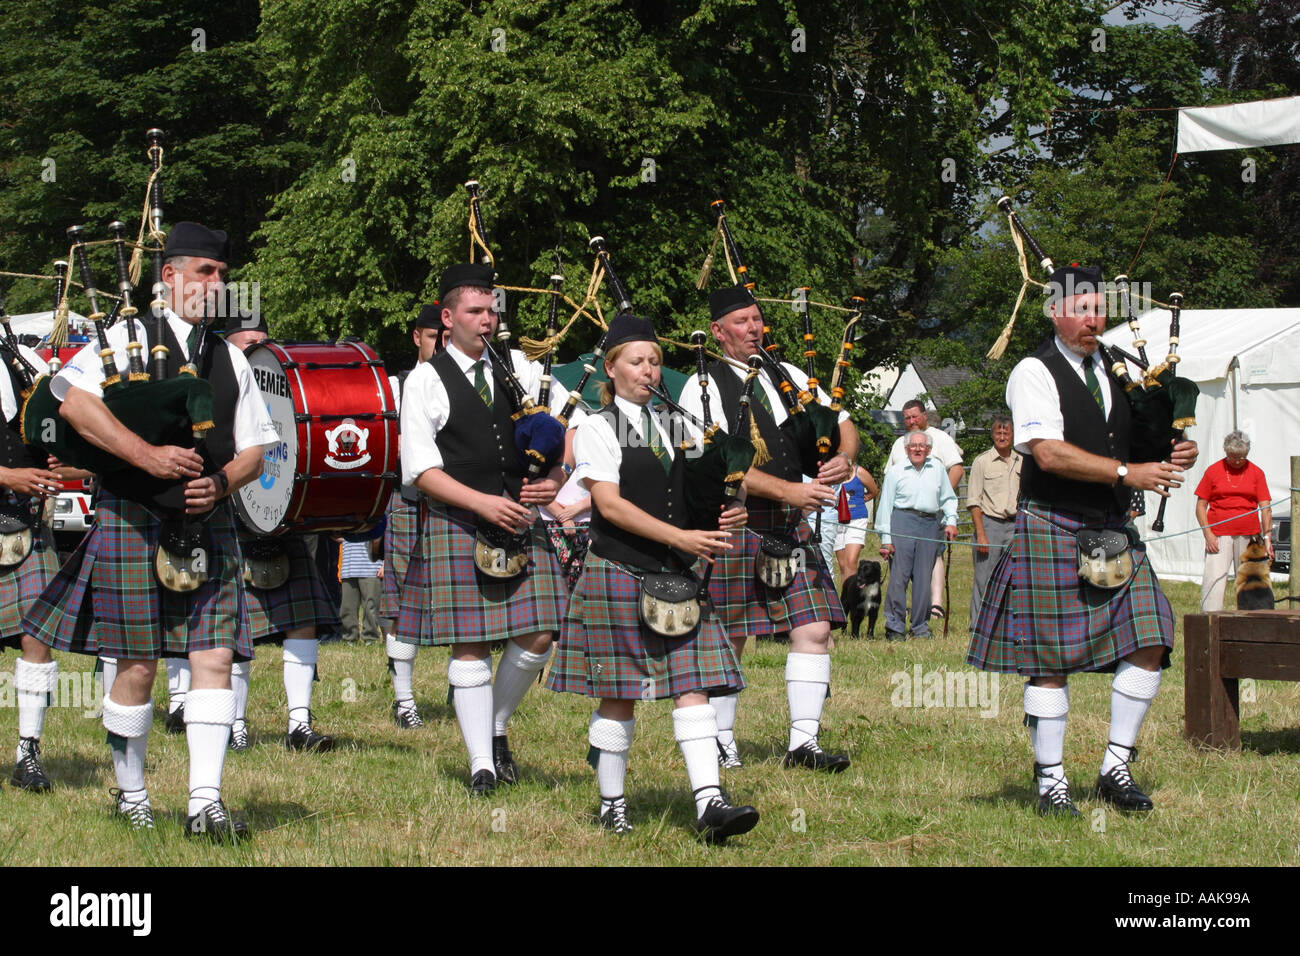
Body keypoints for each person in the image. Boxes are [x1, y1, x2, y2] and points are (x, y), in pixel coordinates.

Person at [23, 222, 278, 837]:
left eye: (222, 275)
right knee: (136, 665)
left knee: (213, 655)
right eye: (205, 274)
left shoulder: (231, 357)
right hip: (132, 518)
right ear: (170, 277)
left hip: (206, 521)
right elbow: (69, 399)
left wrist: (221, 484)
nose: (217, 286)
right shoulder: (125, 336)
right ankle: (132, 794)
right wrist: (146, 457)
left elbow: (256, 448)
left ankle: (204, 803)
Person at [967, 263, 1196, 817]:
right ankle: (1051, 782)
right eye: (1082, 309)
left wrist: (1169, 454)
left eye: (1099, 309)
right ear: (1055, 312)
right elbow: (1046, 452)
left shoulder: (1118, 368)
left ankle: (1115, 765)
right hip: (1052, 523)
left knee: (1153, 635)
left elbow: (1136, 440)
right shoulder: (1033, 371)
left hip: (1113, 529)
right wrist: (1126, 474)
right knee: (1050, 659)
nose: (1094, 319)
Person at [547, 314, 758, 841]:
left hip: (673, 573)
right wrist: (680, 538)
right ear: (612, 368)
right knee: (620, 693)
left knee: (693, 687)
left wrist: (731, 506)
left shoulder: (678, 424)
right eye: (637, 361)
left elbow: (720, 484)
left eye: (656, 361)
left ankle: (709, 804)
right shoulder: (597, 425)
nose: (648, 370)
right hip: (619, 568)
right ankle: (612, 803)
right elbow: (610, 506)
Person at [395, 264, 573, 795]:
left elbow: (567, 431)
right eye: (475, 311)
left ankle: (494, 725)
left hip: (521, 516)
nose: (488, 320)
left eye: (492, 309)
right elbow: (421, 471)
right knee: (469, 644)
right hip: (460, 520)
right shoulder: (425, 380)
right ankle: (481, 765)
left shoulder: (519, 365)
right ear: (448, 319)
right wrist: (484, 504)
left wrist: (557, 479)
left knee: (542, 629)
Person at [677, 285, 856, 773]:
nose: (754, 328)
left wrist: (844, 457)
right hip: (736, 519)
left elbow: (842, 425)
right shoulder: (703, 383)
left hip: (789, 525)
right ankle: (722, 742)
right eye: (742, 321)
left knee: (814, 627)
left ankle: (804, 745)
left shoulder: (789, 375)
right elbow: (715, 460)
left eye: (758, 319)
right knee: (730, 634)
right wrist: (790, 491)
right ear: (718, 331)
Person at [219, 313, 338, 753]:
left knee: (301, 622)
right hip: (232, 511)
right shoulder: (218, 380)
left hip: (280, 512)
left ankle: (300, 725)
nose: (256, 349)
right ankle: (234, 724)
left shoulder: (281, 384)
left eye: (261, 342)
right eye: (248, 342)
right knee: (234, 627)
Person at [0, 337, 66, 791]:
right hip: (11, 493)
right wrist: (8, 476)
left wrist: (57, 451)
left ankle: (28, 751)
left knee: (36, 634)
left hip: (21, 523)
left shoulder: (17, 359)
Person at [381, 304, 445, 729]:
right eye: (431, 336)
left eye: (444, 336)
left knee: (464, 594)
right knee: (402, 600)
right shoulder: (391, 387)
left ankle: (465, 690)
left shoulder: (459, 384)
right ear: (416, 337)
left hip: (455, 502)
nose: (439, 344)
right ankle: (405, 700)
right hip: (408, 501)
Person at [885, 400, 963, 619]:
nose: (911, 421)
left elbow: (956, 468)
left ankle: (935, 604)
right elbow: (889, 476)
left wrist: (940, 499)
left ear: (924, 415)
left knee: (933, 556)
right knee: (901, 563)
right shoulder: (900, 443)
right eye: (907, 418)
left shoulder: (940, 438)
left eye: (915, 416)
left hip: (931, 511)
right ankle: (902, 610)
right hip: (903, 514)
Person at [876, 432, 958, 639]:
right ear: (906, 449)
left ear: (929, 449)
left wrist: (951, 521)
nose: (918, 449)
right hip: (902, 520)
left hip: (930, 523)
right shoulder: (895, 471)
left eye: (922, 446)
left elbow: (948, 498)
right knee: (899, 577)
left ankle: (920, 626)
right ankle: (894, 626)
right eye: (913, 446)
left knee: (923, 577)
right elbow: (885, 506)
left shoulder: (938, 469)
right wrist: (886, 538)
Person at [1195, 429, 1273, 612]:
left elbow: (1266, 508)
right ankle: (1210, 621)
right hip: (1219, 534)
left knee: (1251, 584)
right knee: (1214, 580)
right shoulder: (1213, 471)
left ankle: (1252, 622)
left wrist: (1268, 538)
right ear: (1226, 452)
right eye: (1233, 457)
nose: (1237, 461)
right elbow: (1200, 506)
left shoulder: (1256, 473)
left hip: (1250, 536)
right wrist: (1208, 534)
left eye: (1241, 457)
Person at [967, 414, 1022, 622]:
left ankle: (1004, 626)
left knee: (1012, 578)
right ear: (992, 435)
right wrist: (981, 534)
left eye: (1005, 433)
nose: (1002, 436)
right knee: (985, 579)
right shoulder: (982, 462)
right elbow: (974, 501)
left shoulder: (1021, 462)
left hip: (1014, 526)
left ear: (1012, 435)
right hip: (989, 525)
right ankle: (978, 626)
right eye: (998, 433)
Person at [832, 464, 879, 584]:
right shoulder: (831, 471)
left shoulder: (859, 472)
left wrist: (859, 501)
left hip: (857, 519)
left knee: (851, 561)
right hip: (837, 520)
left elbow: (874, 491)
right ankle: (845, 598)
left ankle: (852, 598)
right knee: (842, 565)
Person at [339, 534, 383, 644]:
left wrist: (384, 564)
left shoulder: (375, 517)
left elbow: (385, 538)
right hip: (348, 567)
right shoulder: (347, 519)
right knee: (347, 607)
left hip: (372, 568)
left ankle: (370, 639)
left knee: (371, 606)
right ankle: (349, 638)